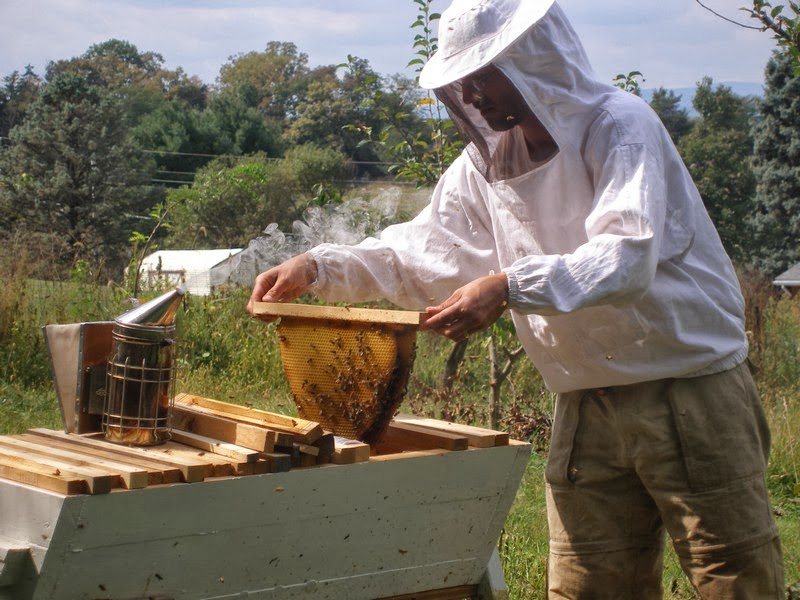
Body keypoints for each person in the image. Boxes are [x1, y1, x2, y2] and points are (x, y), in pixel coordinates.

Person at [248, 0, 785, 597]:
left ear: (533, 59)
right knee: (586, 590)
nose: (473, 96)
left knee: (735, 583)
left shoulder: (619, 125)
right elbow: (420, 251)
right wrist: (318, 266)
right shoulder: (483, 168)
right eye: (464, 81)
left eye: (485, 74)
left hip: (689, 393)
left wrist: (509, 286)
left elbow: (626, 256)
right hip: (584, 403)